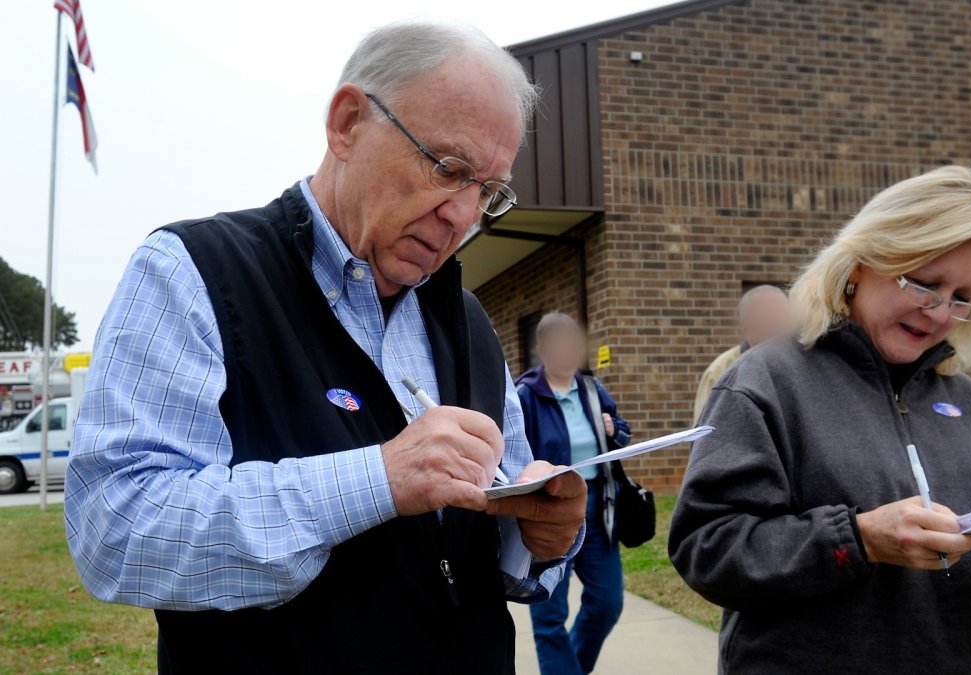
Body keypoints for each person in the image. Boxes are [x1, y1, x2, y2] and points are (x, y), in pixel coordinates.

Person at [64, 21, 587, 674]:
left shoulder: (469, 321)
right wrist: (379, 478)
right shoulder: (193, 274)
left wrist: (537, 536)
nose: (463, 215)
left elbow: (489, 523)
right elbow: (116, 530)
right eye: (448, 168)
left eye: (487, 191)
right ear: (347, 123)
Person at [669, 166, 971, 673]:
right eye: (925, 283)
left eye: (964, 297)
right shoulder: (766, 382)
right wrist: (858, 539)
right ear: (859, 265)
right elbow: (707, 548)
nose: (942, 313)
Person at [515, 312, 632, 675]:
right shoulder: (525, 395)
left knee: (607, 603)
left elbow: (623, 432)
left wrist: (614, 429)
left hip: (598, 508)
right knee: (550, 613)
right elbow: (513, 451)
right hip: (550, 508)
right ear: (542, 349)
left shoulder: (593, 391)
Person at [692, 284, 791, 422]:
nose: (776, 330)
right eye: (766, 321)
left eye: (781, 321)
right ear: (746, 327)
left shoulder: (798, 366)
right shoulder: (720, 371)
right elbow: (704, 430)